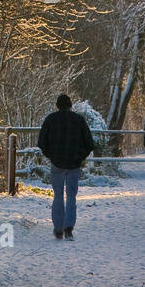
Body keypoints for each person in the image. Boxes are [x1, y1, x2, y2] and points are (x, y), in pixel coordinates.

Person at [37, 94, 95, 240]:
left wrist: (51, 155)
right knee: (71, 197)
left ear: (57, 105)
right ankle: (68, 228)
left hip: (57, 163)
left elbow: (41, 142)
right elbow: (89, 143)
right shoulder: (79, 120)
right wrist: (80, 157)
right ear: (70, 105)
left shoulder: (51, 119)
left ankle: (58, 228)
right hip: (74, 164)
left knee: (57, 195)